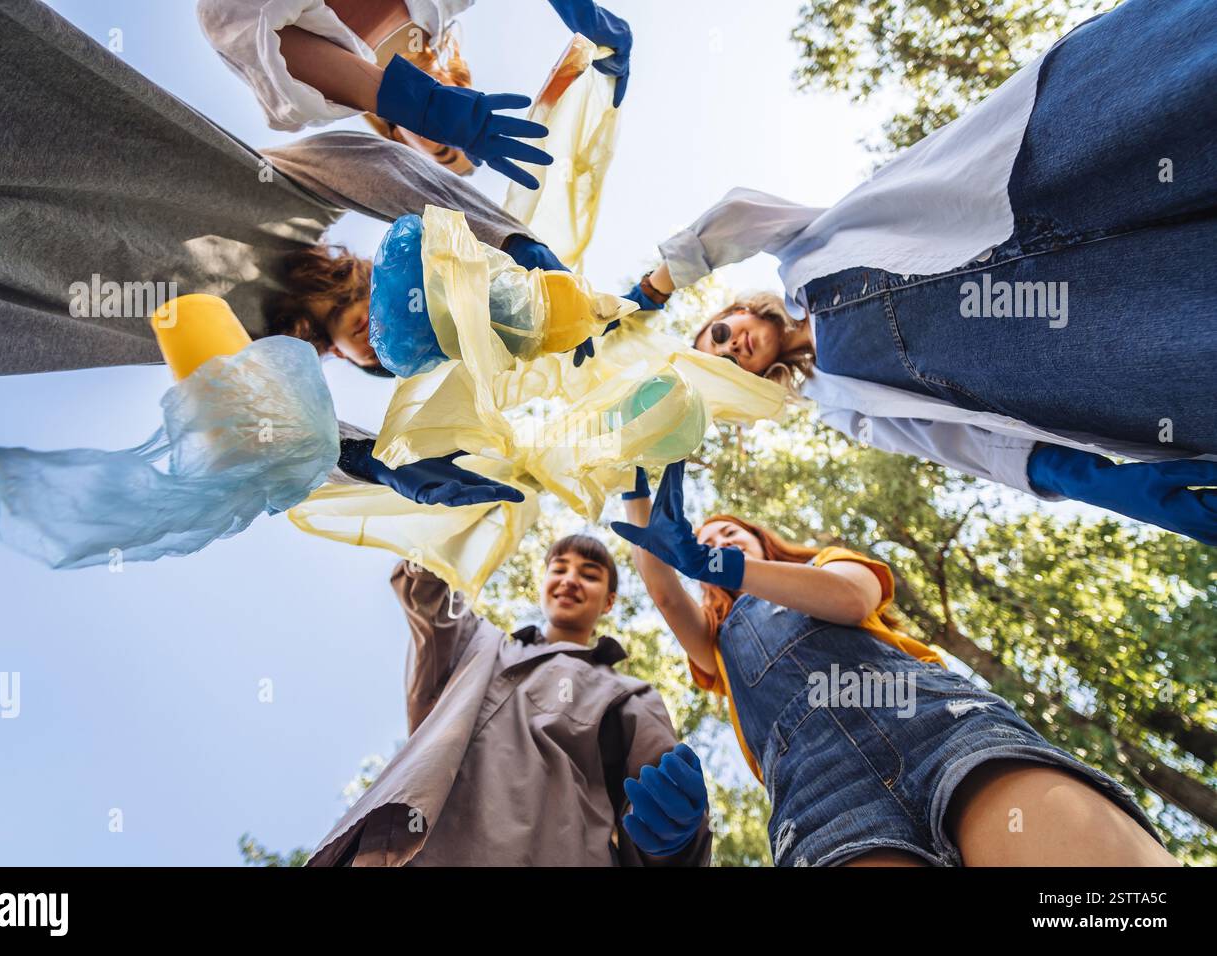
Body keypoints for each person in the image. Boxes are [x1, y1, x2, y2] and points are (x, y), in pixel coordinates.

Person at [610, 0, 1217, 545]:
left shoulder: (800, 252)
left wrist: (653, 289)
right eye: (728, 366)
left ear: (732, 312)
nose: (733, 348)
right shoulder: (838, 405)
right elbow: (959, 444)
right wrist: (1080, 477)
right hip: (1085, 342)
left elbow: (737, 217)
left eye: (719, 336)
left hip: (1036, 171)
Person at [0, 0, 548, 506]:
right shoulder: (300, 203)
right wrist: (512, 241)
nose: (375, 342)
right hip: (7, 120)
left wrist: (369, 459)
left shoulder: (255, 351)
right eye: (412, 316)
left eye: (376, 360)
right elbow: (382, 167)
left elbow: (263, 436)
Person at [611, 462, 1178, 867]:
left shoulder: (826, 563)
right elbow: (662, 589)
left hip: (934, 721)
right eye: (706, 542)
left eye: (730, 533)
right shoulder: (712, 640)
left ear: (762, 540)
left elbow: (851, 599)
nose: (719, 540)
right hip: (815, 790)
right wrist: (638, 476)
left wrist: (718, 561)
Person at [307, 534, 712, 866]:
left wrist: (679, 841)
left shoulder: (628, 693)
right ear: (542, 584)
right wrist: (449, 519)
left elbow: (653, 811)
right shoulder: (475, 646)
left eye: (589, 574)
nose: (570, 579)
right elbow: (427, 590)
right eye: (559, 568)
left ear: (608, 601)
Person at [197, 0, 633, 188]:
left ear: (399, 136)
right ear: (470, 91)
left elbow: (226, 17)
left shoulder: (310, 99)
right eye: (455, 147)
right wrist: (583, 10)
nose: (448, 139)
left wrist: (419, 102)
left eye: (442, 153)